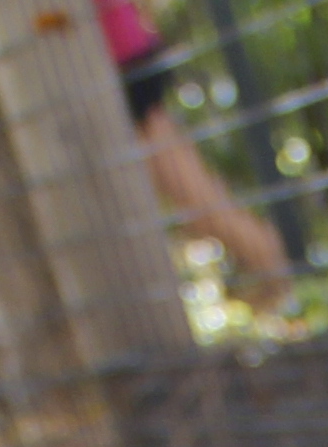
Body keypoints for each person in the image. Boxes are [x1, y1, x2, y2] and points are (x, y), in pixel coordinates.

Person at [100, 0, 293, 310]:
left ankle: (272, 268)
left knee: (189, 193)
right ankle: (270, 264)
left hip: (128, 65)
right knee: (187, 187)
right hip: (132, 54)